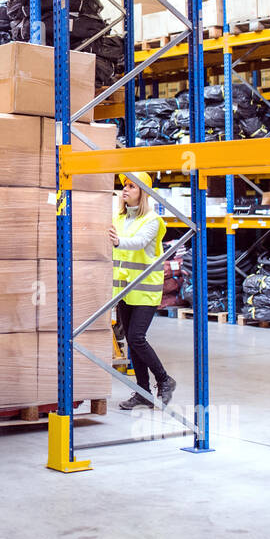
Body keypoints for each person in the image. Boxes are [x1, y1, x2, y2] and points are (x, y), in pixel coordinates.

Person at [110, 171, 177, 409]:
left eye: (132, 186)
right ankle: (143, 392)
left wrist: (117, 241)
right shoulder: (118, 218)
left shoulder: (152, 220)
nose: (125, 189)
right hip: (124, 290)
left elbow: (137, 242)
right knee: (131, 340)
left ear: (143, 193)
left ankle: (164, 379)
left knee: (138, 338)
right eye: (124, 185)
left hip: (145, 290)